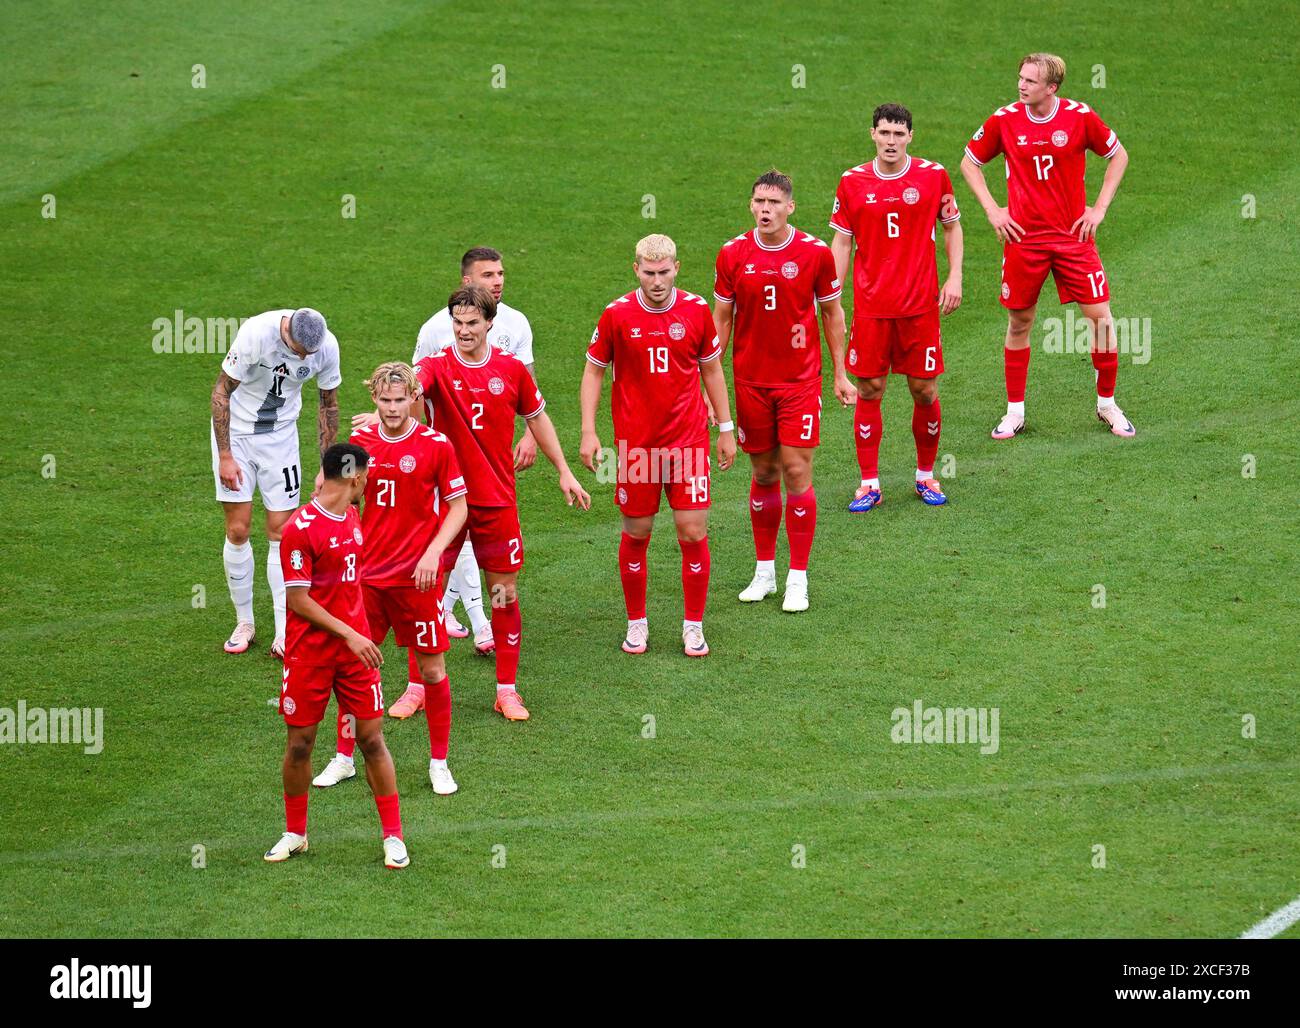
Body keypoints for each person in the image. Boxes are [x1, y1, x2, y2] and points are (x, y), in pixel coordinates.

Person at [358, 285, 589, 721]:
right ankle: (416, 688)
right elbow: (410, 385)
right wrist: (383, 410)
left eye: (472, 323)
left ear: (490, 323)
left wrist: (563, 469)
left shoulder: (511, 369)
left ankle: (507, 691)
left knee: (503, 594)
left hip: (495, 501)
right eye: (457, 323)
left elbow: (537, 417)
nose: (463, 331)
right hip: (443, 504)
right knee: (423, 593)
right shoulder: (436, 365)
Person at [960, 52, 1134, 439]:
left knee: (1101, 319)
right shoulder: (1004, 120)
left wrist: (1099, 209)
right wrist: (993, 210)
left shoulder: (1079, 117)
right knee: (1019, 323)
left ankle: (1107, 404)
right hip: (1024, 240)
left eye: (1030, 81)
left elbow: (1118, 155)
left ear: (1051, 87)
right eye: (1020, 78)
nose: (1021, 85)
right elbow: (970, 163)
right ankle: (1015, 412)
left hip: (1073, 237)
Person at [312, 363, 468, 795]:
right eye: (385, 400)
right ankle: (344, 758)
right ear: (374, 399)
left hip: (417, 581)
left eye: (401, 399)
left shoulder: (436, 445)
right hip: (366, 579)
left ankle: (439, 763)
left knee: (432, 672)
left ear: (414, 397)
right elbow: (331, 498)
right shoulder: (360, 444)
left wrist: (434, 553)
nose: (394, 408)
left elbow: (458, 507)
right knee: (352, 668)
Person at [580, 233, 737, 657]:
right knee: (637, 533)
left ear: (676, 268)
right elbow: (594, 371)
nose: (657, 281)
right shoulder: (616, 315)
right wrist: (589, 431)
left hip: (688, 444)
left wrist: (725, 427)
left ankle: (693, 626)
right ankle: (637, 623)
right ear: (636, 270)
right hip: (635, 448)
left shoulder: (697, 310)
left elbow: (712, 370)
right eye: (648, 272)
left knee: (693, 531)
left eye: (664, 272)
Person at [265, 442, 408, 869]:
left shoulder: (351, 515)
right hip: (310, 654)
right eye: (366, 476)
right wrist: (350, 634)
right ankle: (296, 833)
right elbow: (298, 599)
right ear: (355, 477)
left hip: (354, 654)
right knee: (300, 745)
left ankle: (394, 837)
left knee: (371, 740)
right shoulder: (300, 530)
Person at [713, 170, 849, 611]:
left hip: (799, 382)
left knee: (795, 470)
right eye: (759, 201)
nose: (765, 209)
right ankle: (765, 572)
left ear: (790, 207)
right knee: (764, 473)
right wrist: (709, 382)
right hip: (751, 382)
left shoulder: (815, 253)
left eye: (773, 203)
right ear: (751, 205)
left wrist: (840, 373)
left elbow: (832, 314)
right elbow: (721, 319)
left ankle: (798, 578)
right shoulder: (733, 254)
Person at [829, 104, 964, 512]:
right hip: (872, 307)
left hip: (920, 307)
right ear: (873, 134)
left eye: (898, 134)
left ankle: (926, 475)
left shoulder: (932, 176)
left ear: (910, 137)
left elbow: (952, 226)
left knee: (924, 389)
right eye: (884, 133)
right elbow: (842, 242)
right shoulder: (852, 182)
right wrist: (832, 293)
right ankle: (869, 483)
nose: (891, 141)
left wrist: (955, 276)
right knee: (870, 388)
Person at [413, 246, 536, 654]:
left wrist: (532, 434)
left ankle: (499, 669)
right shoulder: (435, 333)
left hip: (494, 487)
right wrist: (402, 427)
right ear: (467, 280)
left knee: (498, 581)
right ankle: (461, 629)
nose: (497, 281)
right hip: (448, 482)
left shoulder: (515, 330)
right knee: (436, 567)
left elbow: (529, 392)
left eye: (500, 274)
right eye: (488, 275)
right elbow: (415, 388)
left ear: (488, 323)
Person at [211, 307, 341, 658]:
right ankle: (244, 622)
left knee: (281, 532)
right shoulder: (256, 334)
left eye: (310, 353)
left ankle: (285, 630)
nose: (305, 358)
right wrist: (225, 455)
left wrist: (327, 468)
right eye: (299, 351)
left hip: (280, 439)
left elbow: (328, 405)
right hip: (237, 436)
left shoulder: (326, 347)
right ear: (287, 334)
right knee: (238, 529)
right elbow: (221, 392)